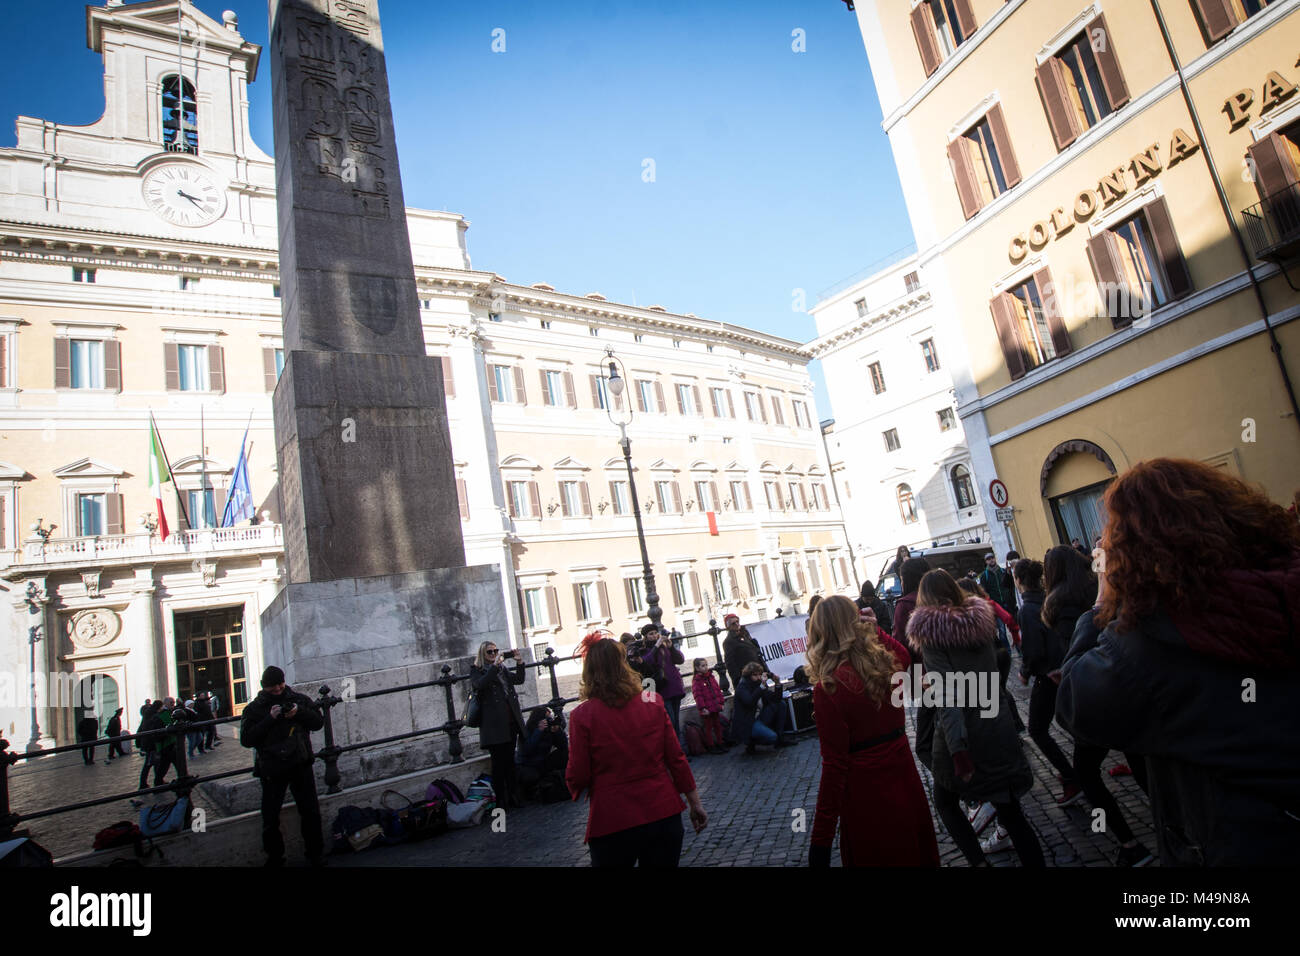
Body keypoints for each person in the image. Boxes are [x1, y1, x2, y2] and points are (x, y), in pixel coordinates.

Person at [1058, 458, 1300, 866]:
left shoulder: (1151, 642)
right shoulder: (1283, 578)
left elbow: (1075, 703)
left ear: (1134, 549)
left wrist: (1101, 601)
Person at [907, 569, 1043, 867]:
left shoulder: (933, 635)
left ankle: (978, 863)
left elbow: (947, 698)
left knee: (945, 802)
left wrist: (958, 751)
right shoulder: (979, 623)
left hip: (967, 733)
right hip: (996, 723)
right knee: (1011, 812)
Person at [807, 595, 939, 867]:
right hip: (905, 781)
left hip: (866, 798)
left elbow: (834, 768)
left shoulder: (828, 688)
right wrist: (876, 630)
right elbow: (904, 657)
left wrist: (821, 839)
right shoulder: (885, 665)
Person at [566, 633, 707, 867]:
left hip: (612, 818)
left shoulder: (581, 716)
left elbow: (578, 773)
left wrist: (575, 787)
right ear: (623, 664)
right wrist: (695, 802)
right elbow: (676, 758)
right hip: (662, 810)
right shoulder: (652, 702)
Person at [240, 666, 325, 867]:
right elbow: (247, 739)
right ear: (264, 687)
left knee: (310, 812)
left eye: (280, 685)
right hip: (271, 769)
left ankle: (315, 854)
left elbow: (318, 722)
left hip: (299, 763)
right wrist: (270, 719)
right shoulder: (253, 709)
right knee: (270, 817)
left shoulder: (299, 700)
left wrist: (298, 712)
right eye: (272, 688)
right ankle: (275, 858)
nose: (278, 690)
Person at [1015, 555, 1082, 806]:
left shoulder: (1027, 609)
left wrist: (1025, 670)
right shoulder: (1048, 600)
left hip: (1048, 674)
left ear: (1019, 581)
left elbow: (1033, 649)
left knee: (1037, 729)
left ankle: (1071, 777)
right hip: (1064, 668)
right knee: (1069, 722)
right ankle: (1076, 773)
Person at [469, 641, 528, 808]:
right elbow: (480, 685)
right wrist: (494, 667)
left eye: (495, 651)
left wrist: (519, 662)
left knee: (510, 761)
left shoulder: (502, 669)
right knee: (498, 764)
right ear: (483, 654)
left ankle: (514, 796)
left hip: (510, 722)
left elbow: (519, 679)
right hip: (493, 726)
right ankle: (500, 800)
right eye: (490, 652)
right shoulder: (476, 670)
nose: (494, 654)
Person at [733, 662, 792, 753]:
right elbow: (749, 702)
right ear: (749, 675)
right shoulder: (742, 687)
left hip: (760, 717)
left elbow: (775, 699)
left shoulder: (758, 684)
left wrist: (777, 684)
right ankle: (751, 742)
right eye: (755, 675)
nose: (758, 677)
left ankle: (780, 737)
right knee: (772, 737)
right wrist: (761, 687)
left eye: (760, 675)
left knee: (781, 704)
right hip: (749, 722)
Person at [641, 623, 686, 735]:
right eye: (651, 634)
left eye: (656, 633)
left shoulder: (665, 647)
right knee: (670, 720)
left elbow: (680, 660)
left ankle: (680, 747)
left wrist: (671, 648)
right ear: (646, 637)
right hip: (662, 688)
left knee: (676, 719)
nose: (655, 635)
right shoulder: (645, 650)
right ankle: (676, 747)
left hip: (674, 686)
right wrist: (656, 646)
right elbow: (647, 662)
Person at [516, 706, 568, 799]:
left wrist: (557, 732)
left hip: (543, 762)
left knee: (565, 753)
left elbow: (563, 746)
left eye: (549, 718)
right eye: (546, 718)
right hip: (528, 765)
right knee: (532, 776)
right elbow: (527, 750)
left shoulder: (548, 730)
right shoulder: (528, 730)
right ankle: (531, 791)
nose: (548, 720)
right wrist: (538, 731)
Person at [689, 658, 727, 754]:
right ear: (697, 668)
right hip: (707, 709)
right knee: (708, 728)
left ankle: (720, 743)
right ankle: (711, 746)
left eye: (706, 665)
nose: (705, 667)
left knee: (718, 726)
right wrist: (702, 708)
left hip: (715, 706)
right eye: (703, 666)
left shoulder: (711, 677)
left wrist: (721, 703)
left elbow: (717, 690)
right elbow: (698, 696)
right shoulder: (697, 681)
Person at [721, 613, 764, 690]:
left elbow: (757, 653)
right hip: (746, 676)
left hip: (757, 673)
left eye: (737, 621)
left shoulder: (745, 635)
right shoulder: (728, 642)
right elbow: (730, 664)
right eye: (733, 623)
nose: (737, 624)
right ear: (728, 627)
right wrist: (738, 680)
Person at [978, 552, 1016, 619]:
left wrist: (1012, 599)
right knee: (1001, 628)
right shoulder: (984, 576)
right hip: (996, 606)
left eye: (992, 558)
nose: (991, 560)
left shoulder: (1003, 571)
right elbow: (984, 591)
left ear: (995, 558)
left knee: (1013, 623)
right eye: (988, 559)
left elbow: (1011, 586)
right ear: (986, 562)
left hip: (1008, 603)